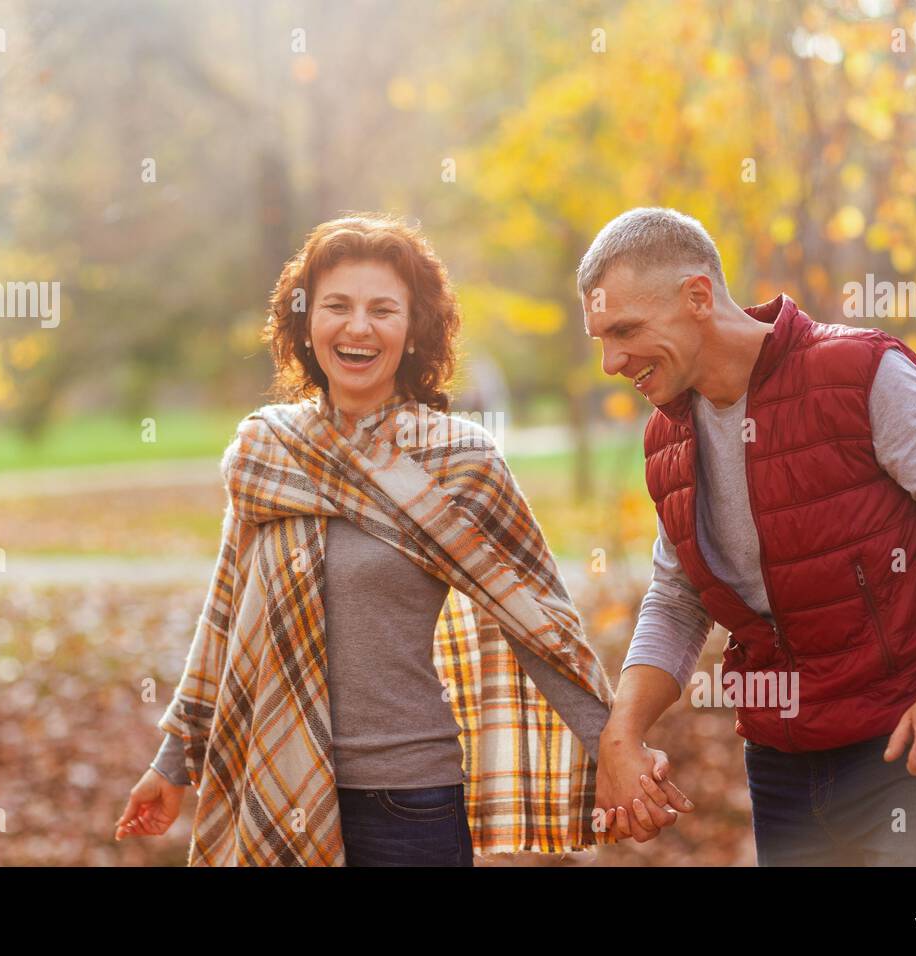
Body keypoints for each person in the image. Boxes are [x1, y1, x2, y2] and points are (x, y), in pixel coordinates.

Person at [113, 213, 670, 865]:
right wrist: (173, 761)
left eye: (383, 309)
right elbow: (224, 614)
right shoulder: (267, 453)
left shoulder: (460, 461)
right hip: (278, 786)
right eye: (337, 307)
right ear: (305, 323)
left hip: (412, 805)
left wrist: (616, 748)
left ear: (413, 330)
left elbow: (539, 623)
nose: (358, 327)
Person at [581, 207, 916, 865]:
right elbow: (677, 598)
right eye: (601, 340)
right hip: (782, 770)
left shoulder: (859, 372)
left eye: (625, 331)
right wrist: (623, 735)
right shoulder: (668, 437)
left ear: (697, 297)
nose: (612, 361)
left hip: (905, 751)